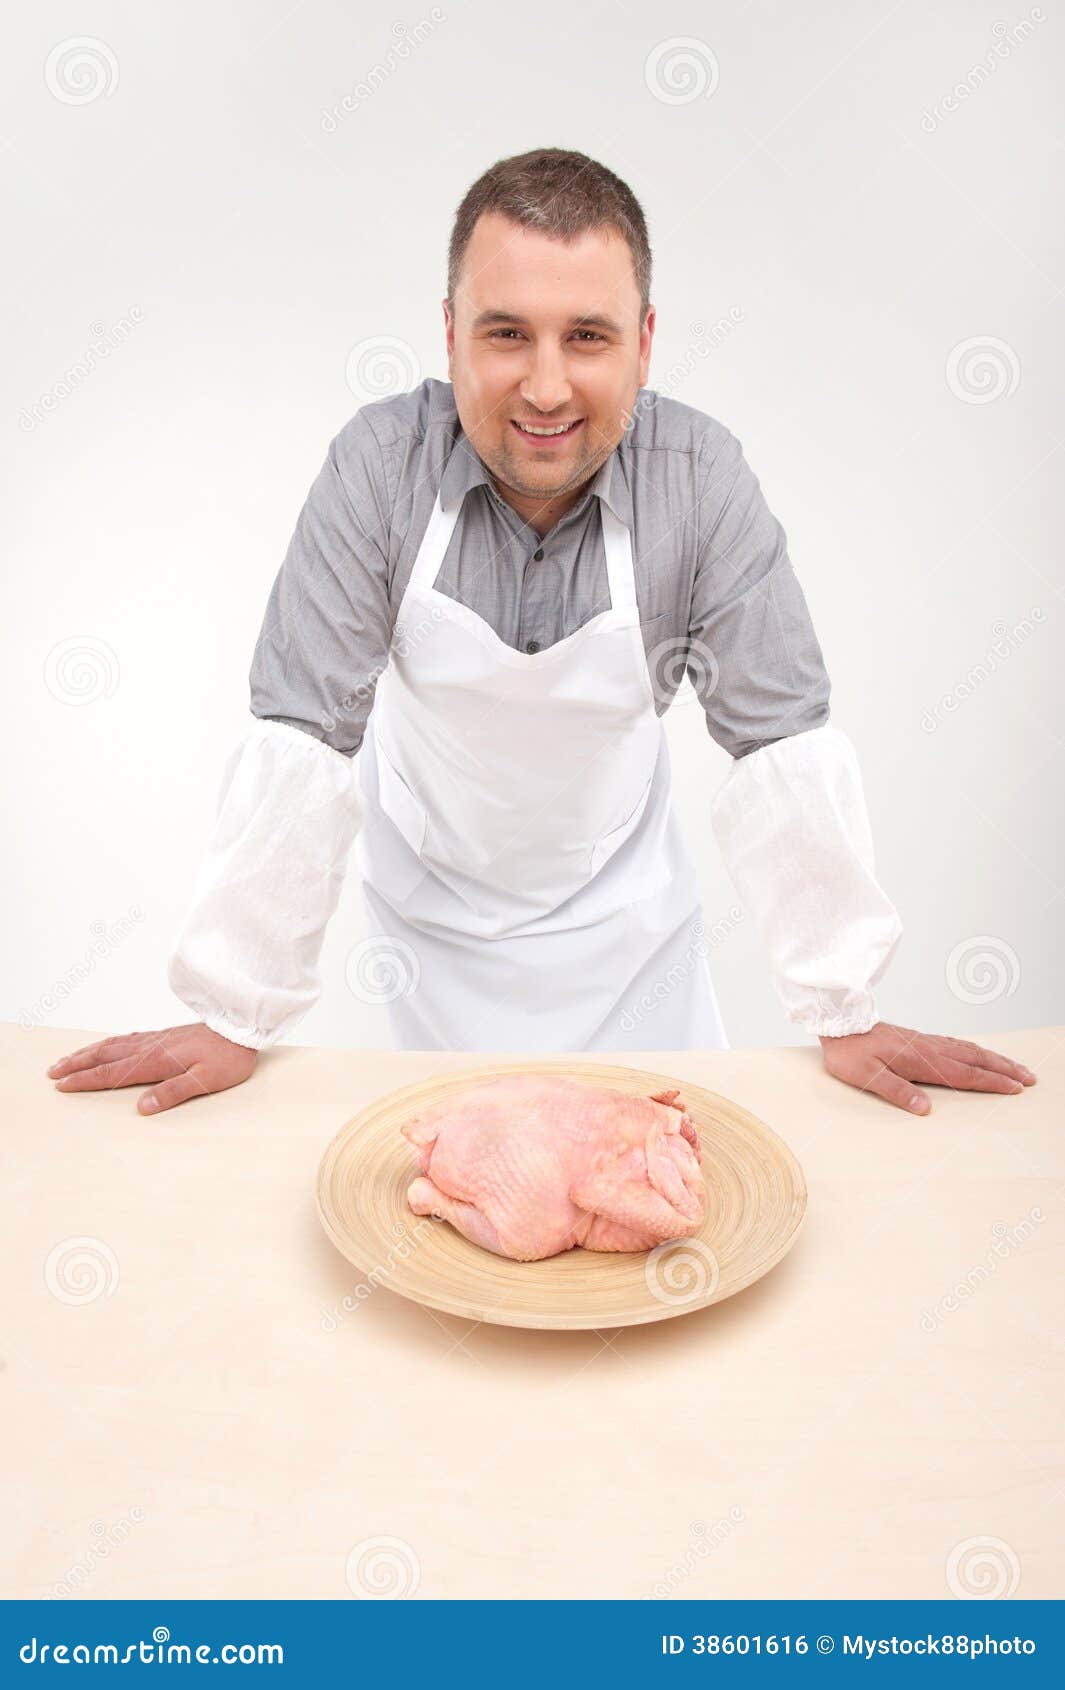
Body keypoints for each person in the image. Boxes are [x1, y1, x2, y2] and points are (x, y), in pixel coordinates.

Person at [47, 148, 1036, 1117]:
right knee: (459, 1193)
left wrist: (845, 1005)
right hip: (429, 921)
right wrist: (230, 1008)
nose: (548, 387)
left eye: (589, 338)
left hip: (629, 927)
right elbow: (305, 733)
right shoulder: (380, 468)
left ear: (646, 343)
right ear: (450, 336)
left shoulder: (698, 479)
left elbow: (777, 740)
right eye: (508, 334)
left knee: (664, 1180)